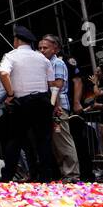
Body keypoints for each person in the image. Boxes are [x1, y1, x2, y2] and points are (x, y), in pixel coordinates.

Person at [0, 25, 56, 182]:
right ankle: (46, 176)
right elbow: (53, 84)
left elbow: (3, 73)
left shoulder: (11, 56)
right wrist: (53, 105)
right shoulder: (42, 58)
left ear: (17, 40)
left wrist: (10, 94)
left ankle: (7, 177)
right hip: (44, 101)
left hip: (23, 102)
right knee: (43, 141)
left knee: (15, 140)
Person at [39, 35, 80, 181]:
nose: (42, 51)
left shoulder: (57, 63)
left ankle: (72, 175)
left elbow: (58, 85)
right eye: (40, 48)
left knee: (63, 141)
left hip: (59, 107)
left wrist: (39, 84)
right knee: (56, 145)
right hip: (49, 106)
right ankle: (65, 174)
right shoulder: (44, 64)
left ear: (55, 48)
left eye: (45, 48)